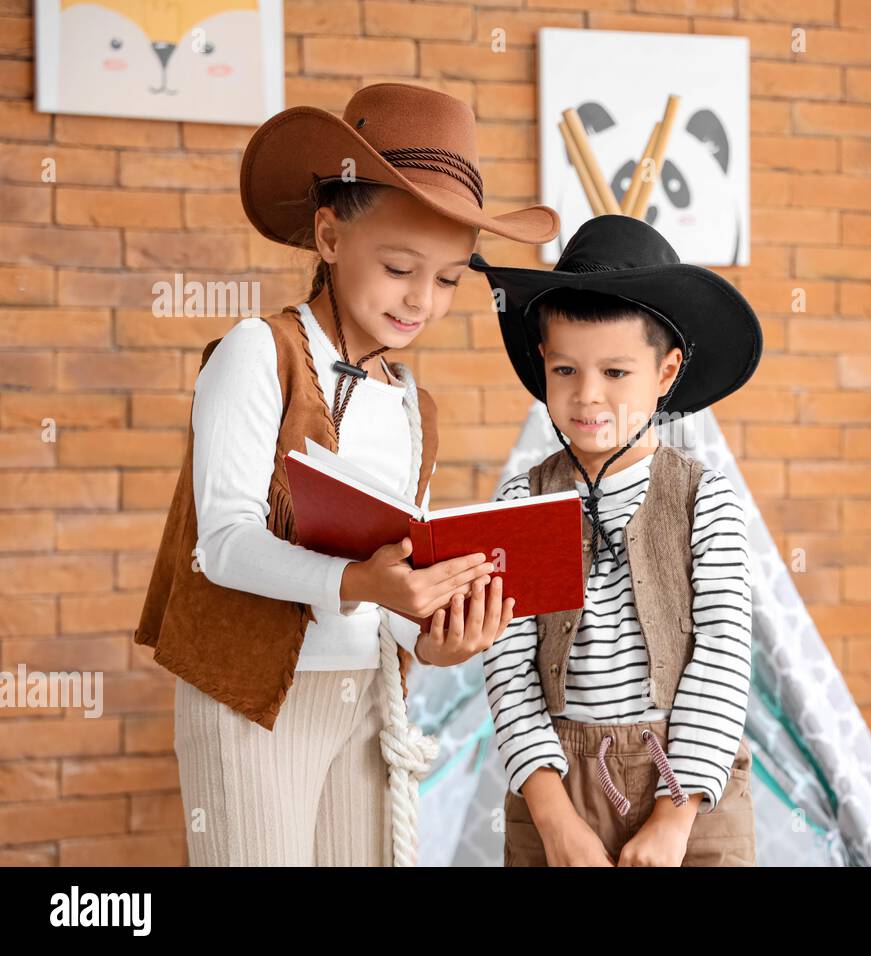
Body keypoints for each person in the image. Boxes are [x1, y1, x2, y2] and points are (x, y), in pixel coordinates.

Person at [134, 83, 559, 866]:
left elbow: (394, 588)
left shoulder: (413, 410)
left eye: (448, 280)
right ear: (329, 237)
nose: (420, 302)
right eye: (399, 266)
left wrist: (435, 635)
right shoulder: (257, 353)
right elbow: (223, 545)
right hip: (249, 697)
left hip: (368, 701)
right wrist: (366, 583)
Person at [470, 214, 764, 866]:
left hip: (689, 790)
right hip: (556, 790)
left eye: (617, 373)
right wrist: (556, 822)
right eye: (568, 369)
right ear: (542, 362)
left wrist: (673, 819)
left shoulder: (704, 502)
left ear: (665, 373)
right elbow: (508, 668)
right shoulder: (522, 503)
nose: (588, 396)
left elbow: (721, 661)